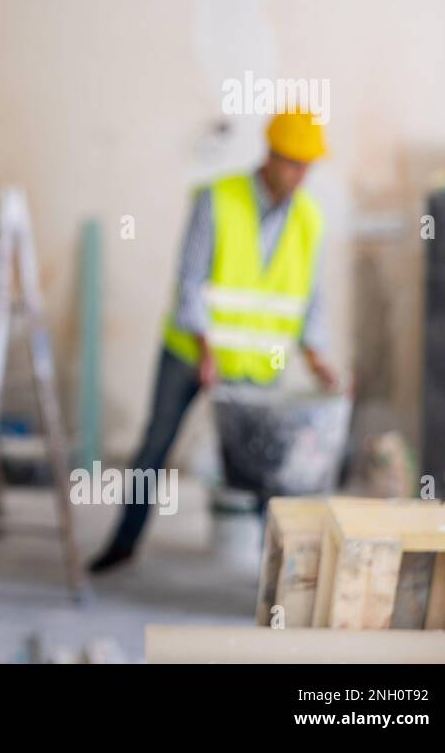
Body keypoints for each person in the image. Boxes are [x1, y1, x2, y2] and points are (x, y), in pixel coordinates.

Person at [88, 107, 339, 573]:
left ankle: (283, 572)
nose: (301, 175)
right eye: (293, 163)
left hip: (256, 367)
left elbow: (310, 299)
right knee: (155, 447)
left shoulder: (309, 220)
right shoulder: (217, 198)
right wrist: (206, 352)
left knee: (268, 469)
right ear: (270, 156)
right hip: (189, 355)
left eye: (308, 166)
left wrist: (318, 357)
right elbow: (190, 280)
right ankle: (122, 545)